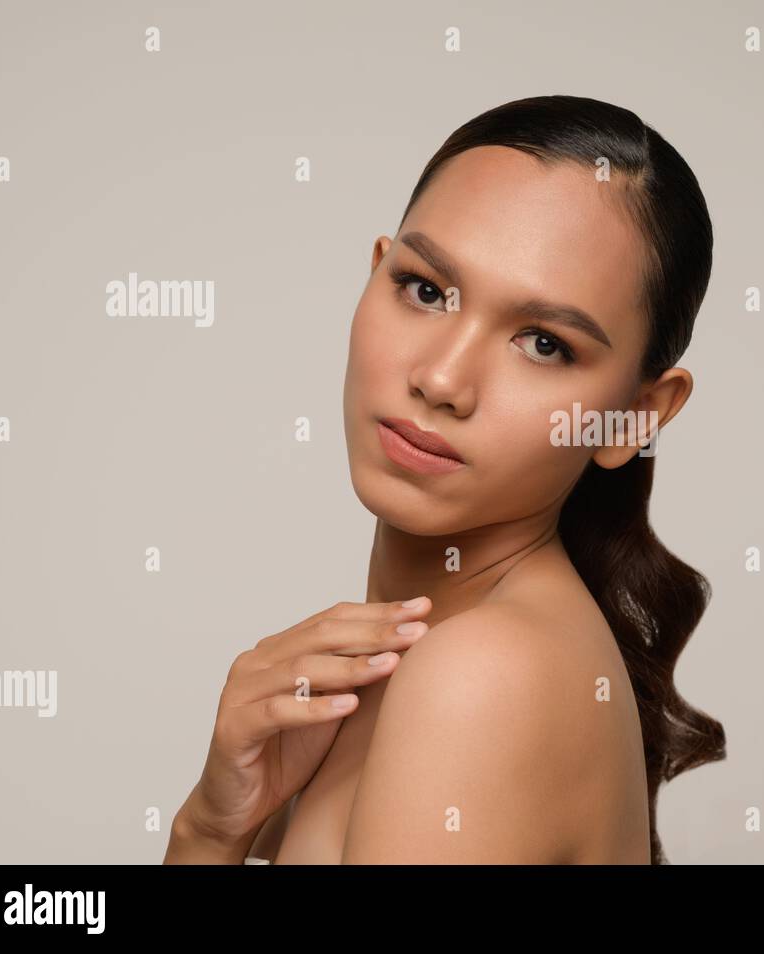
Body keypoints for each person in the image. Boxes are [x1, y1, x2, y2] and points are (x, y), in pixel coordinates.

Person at [164, 94, 725, 865]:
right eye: (426, 290)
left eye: (542, 343)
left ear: (634, 418)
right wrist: (208, 828)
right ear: (374, 274)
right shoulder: (417, 666)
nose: (442, 380)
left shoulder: (483, 677)